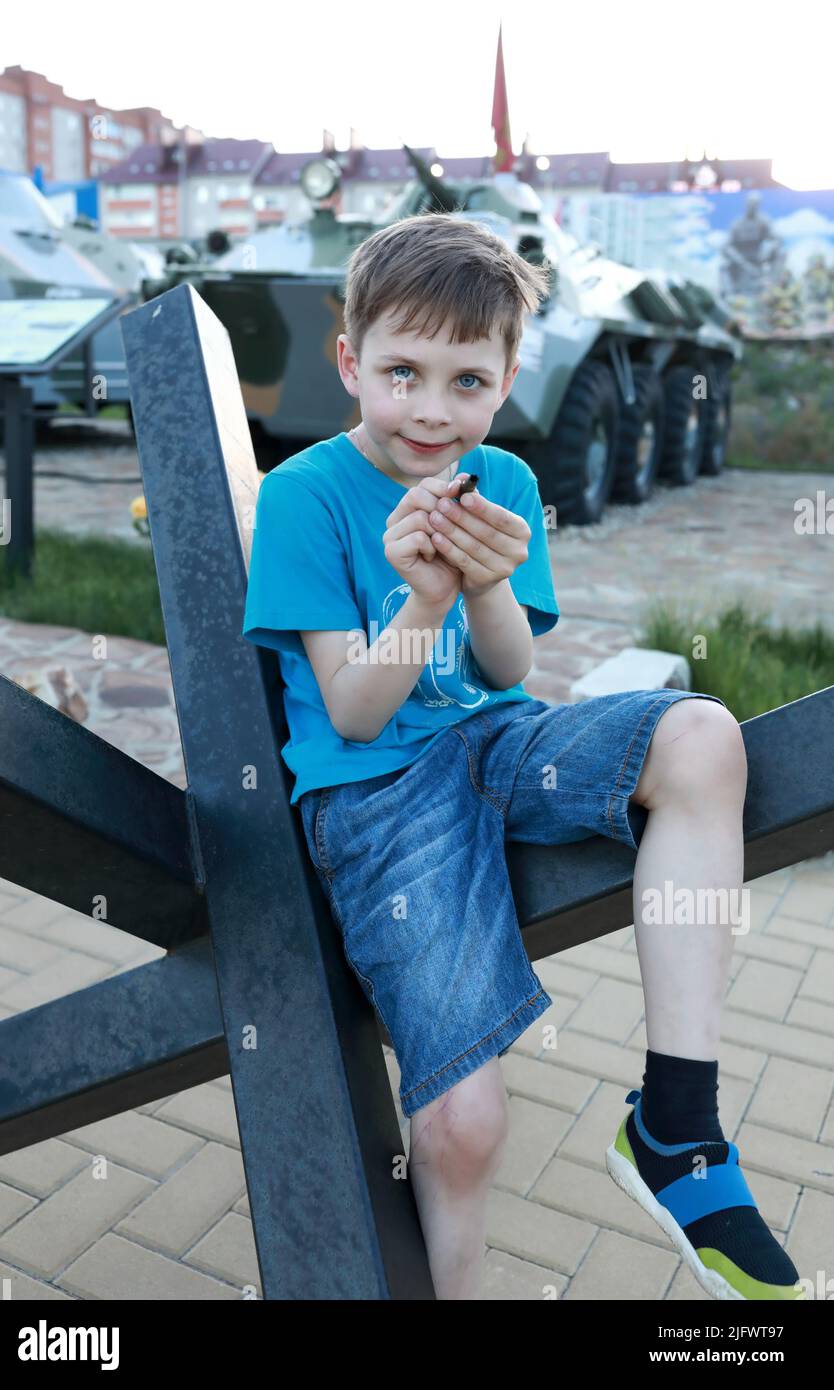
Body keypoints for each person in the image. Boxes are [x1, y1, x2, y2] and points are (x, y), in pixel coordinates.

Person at [241, 211, 804, 1302]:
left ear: (503, 383)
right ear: (349, 360)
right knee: (461, 1120)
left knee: (698, 733)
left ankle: (677, 1125)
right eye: (402, 371)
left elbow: (504, 671)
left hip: (491, 743)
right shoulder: (303, 496)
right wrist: (426, 591)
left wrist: (484, 582)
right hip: (373, 795)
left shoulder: (495, 477)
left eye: (466, 381)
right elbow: (353, 713)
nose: (431, 411)